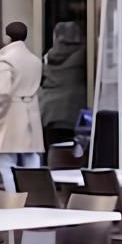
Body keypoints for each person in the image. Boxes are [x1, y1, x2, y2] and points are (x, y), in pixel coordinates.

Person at [0, 21, 43, 190]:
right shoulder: (35, 60)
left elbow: (3, 93)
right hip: (31, 111)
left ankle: (14, 199)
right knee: (31, 157)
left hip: (11, 112)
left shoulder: (5, 59)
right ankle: (33, 194)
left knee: (7, 161)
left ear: (8, 37)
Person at [37, 20, 87, 156]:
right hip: (73, 114)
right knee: (72, 158)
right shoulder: (85, 54)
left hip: (49, 114)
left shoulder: (48, 56)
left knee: (53, 157)